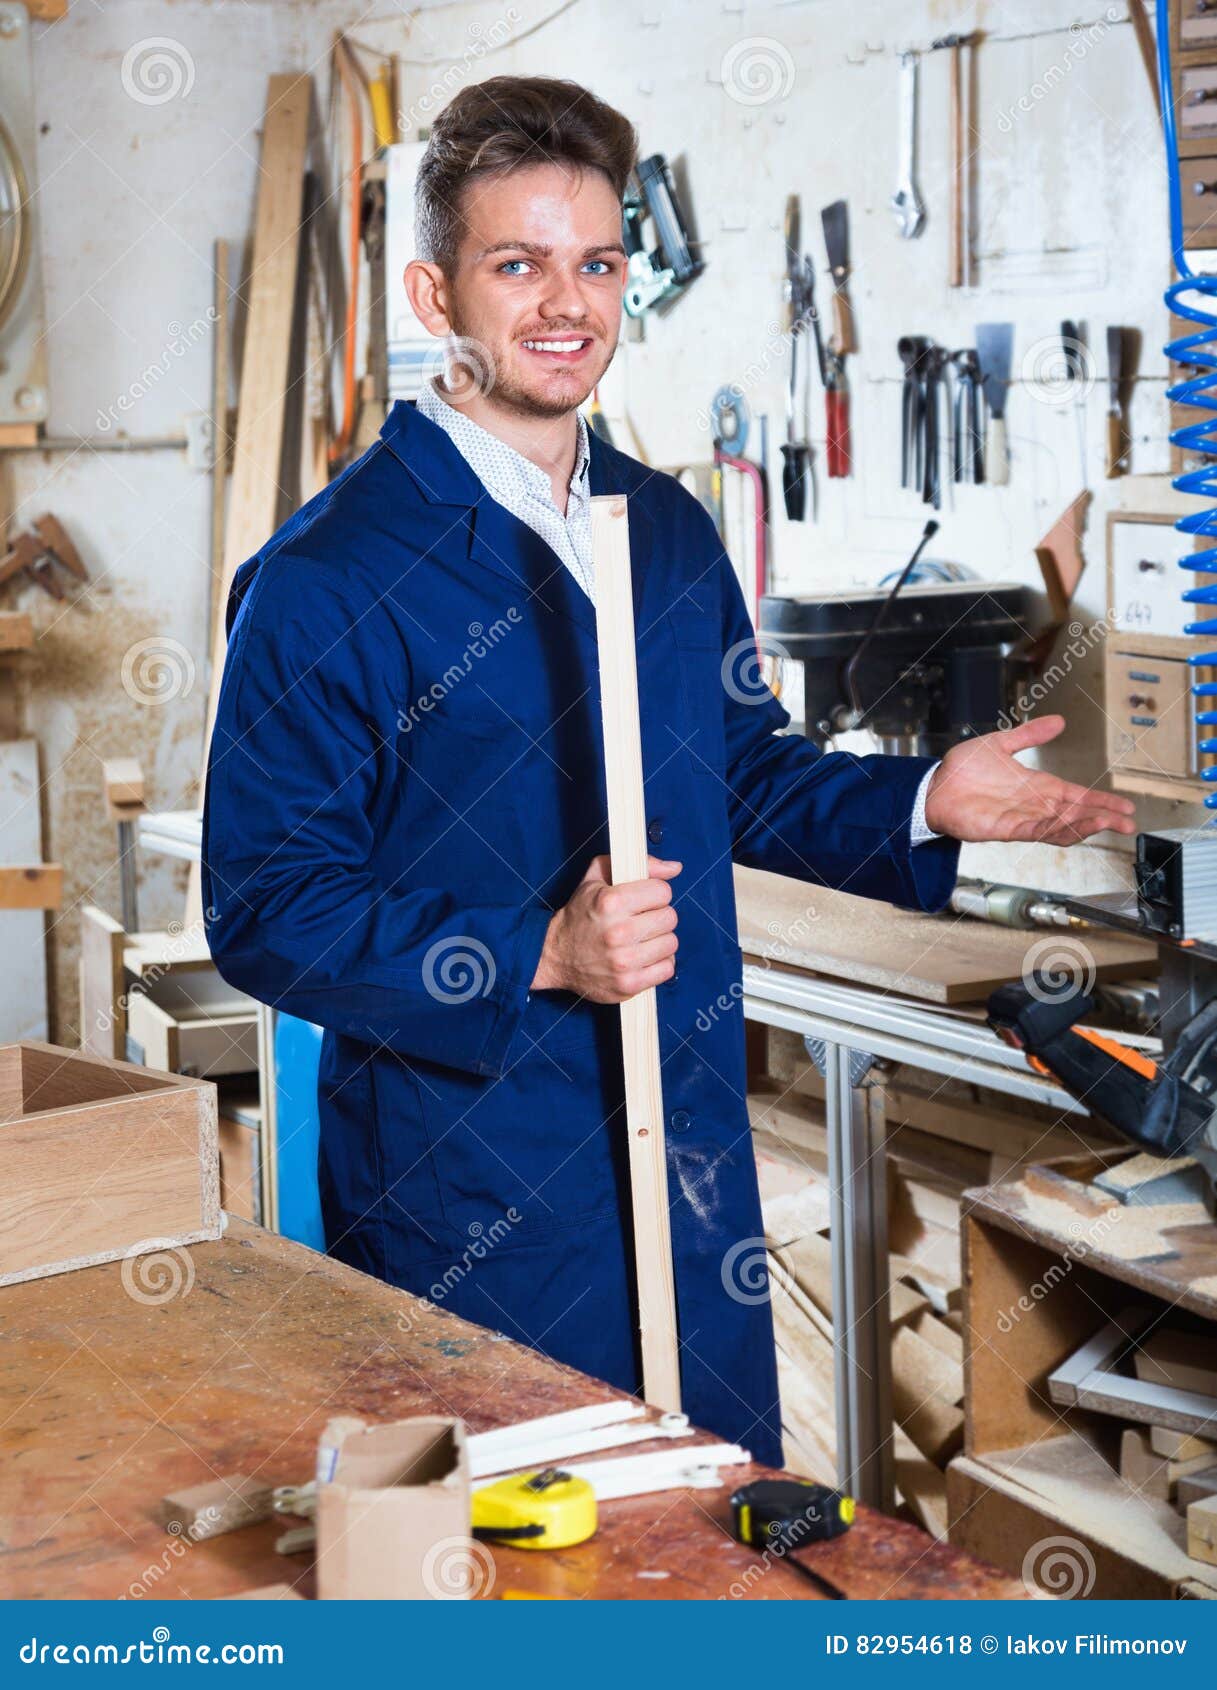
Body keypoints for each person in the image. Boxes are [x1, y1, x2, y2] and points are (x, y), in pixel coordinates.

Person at [201, 75, 1135, 1468]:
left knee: (708, 1536)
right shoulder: (330, 576)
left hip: (685, 1168)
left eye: (595, 263)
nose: (566, 303)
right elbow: (267, 906)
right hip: (474, 1191)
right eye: (515, 264)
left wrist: (920, 798)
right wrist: (537, 951)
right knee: (520, 1573)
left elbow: (737, 774)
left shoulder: (663, 530)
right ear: (433, 291)